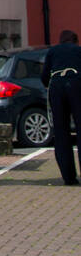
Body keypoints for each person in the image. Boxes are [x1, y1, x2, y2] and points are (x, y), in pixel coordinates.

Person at [42, 30, 81, 185]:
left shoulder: (53, 51)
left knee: (61, 131)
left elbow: (45, 76)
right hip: (76, 84)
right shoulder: (78, 51)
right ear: (75, 40)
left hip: (57, 87)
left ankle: (68, 177)